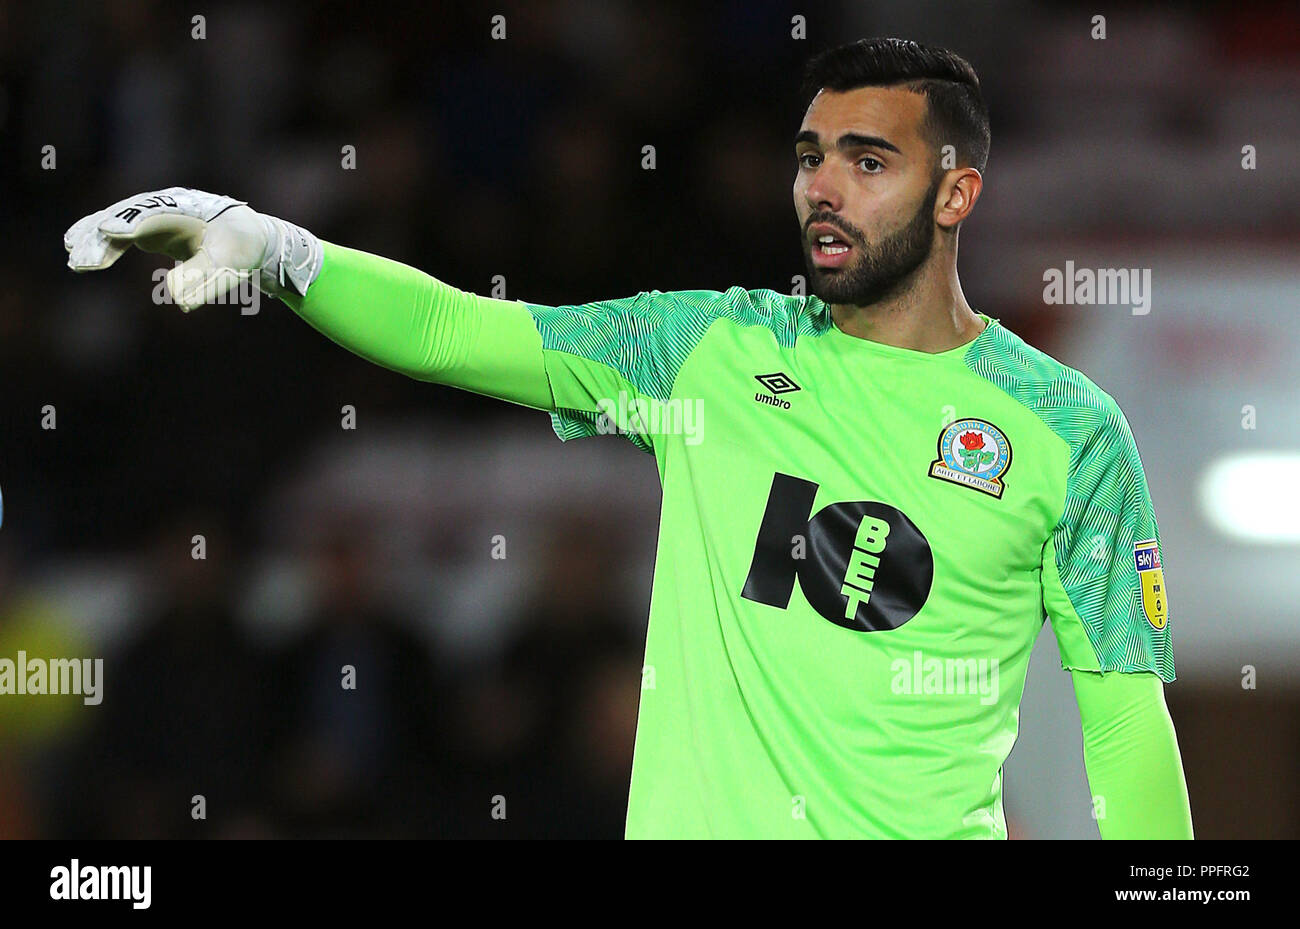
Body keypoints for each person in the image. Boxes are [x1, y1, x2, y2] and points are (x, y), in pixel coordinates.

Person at [63, 37, 1192, 839]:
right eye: (810, 156)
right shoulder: (707, 348)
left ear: (956, 194)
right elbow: (458, 330)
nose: (823, 189)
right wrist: (276, 249)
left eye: (868, 160)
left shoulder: (1068, 432)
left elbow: (1124, 724)